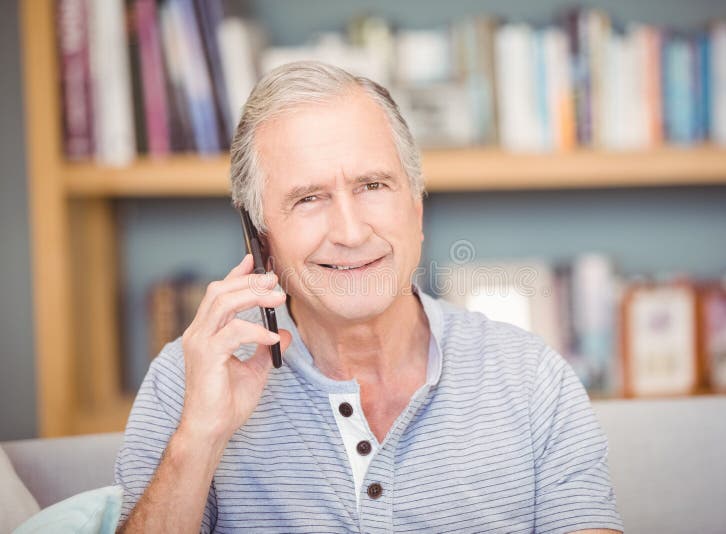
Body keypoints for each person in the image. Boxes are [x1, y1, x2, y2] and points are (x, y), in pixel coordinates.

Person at [115, 60, 624, 533]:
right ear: (261, 237)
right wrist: (198, 438)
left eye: (373, 185)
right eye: (308, 198)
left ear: (417, 210)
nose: (351, 231)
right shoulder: (187, 382)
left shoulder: (533, 380)